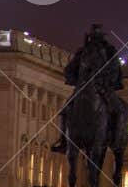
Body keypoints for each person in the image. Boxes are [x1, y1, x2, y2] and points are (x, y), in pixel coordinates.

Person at [51, 23, 121, 153]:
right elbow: (69, 69)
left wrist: (106, 81)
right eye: (93, 37)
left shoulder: (110, 51)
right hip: (83, 87)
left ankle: (116, 139)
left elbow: (115, 69)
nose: (95, 40)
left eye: (97, 37)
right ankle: (64, 140)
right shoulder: (83, 52)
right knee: (65, 111)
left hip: (104, 88)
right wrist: (76, 79)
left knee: (119, 110)